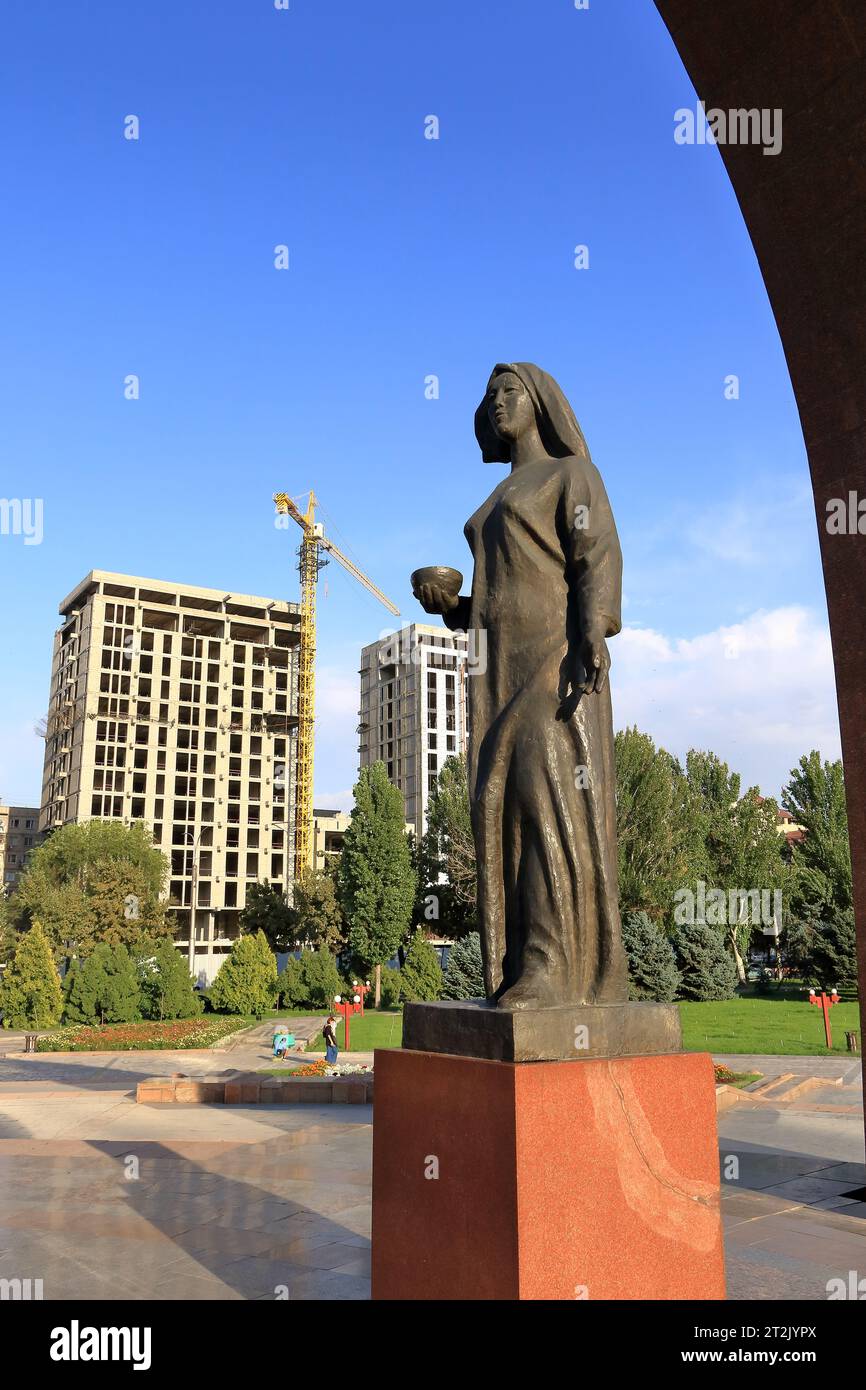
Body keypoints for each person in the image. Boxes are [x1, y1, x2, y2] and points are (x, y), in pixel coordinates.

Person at [413, 363, 627, 1010]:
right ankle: (521, 968)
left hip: (556, 663)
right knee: (505, 810)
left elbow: (597, 554)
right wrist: (452, 606)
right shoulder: (501, 495)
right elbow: (503, 592)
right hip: (498, 671)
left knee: (546, 806)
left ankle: (551, 966)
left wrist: (592, 631)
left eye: (509, 392)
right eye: (490, 396)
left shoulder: (571, 475)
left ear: (539, 403)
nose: (498, 402)